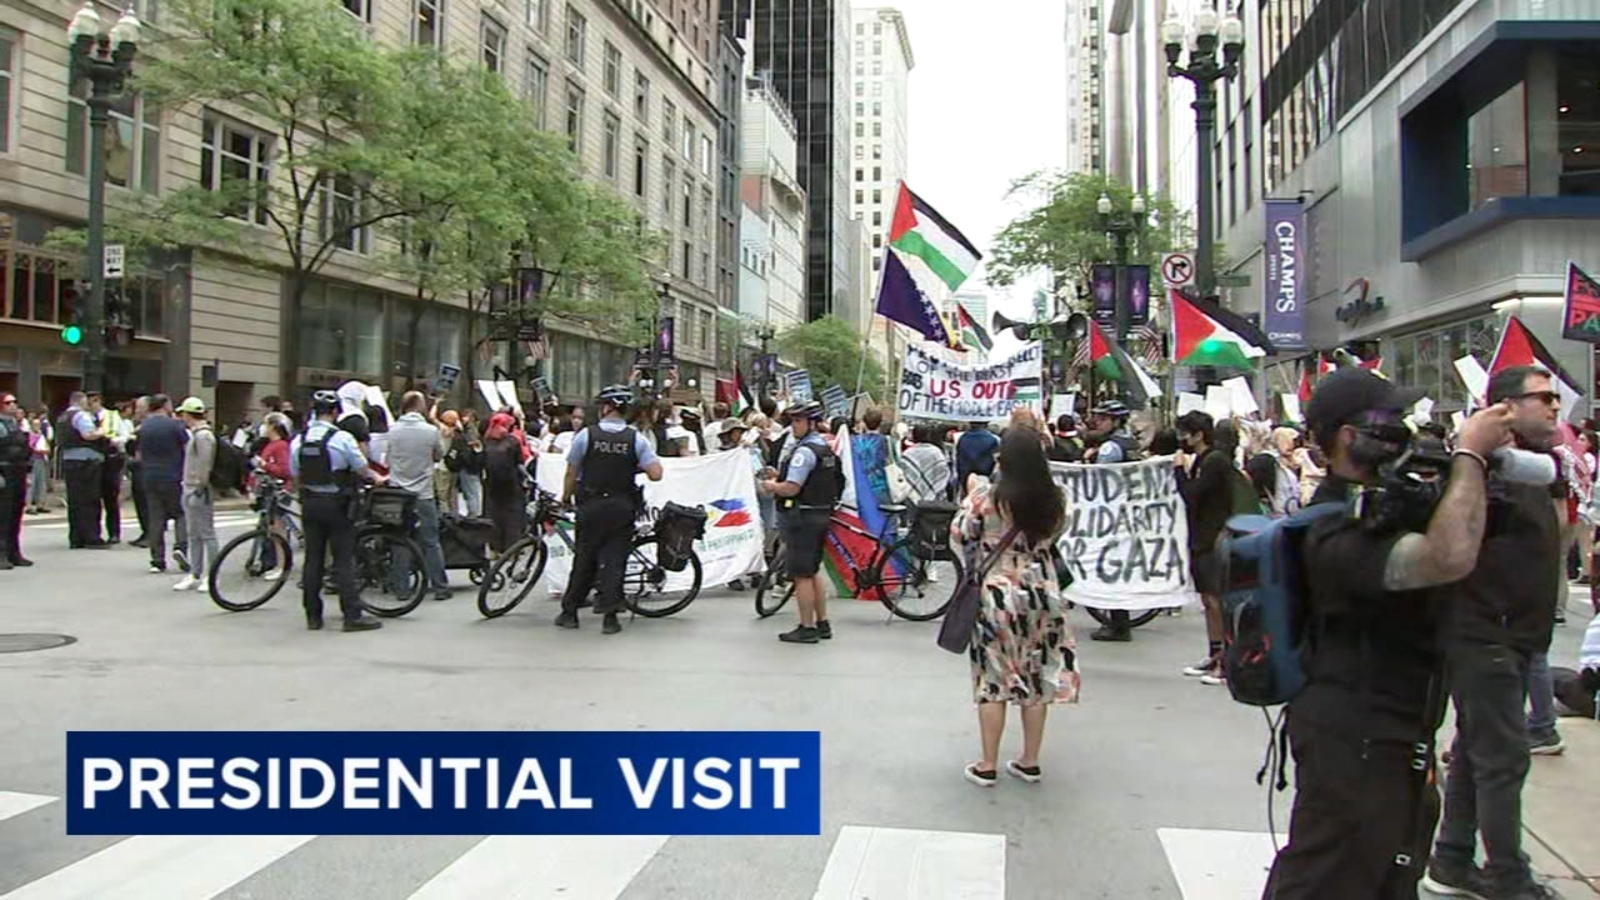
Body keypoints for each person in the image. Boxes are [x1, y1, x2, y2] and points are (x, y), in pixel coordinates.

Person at [1262, 368, 1515, 900]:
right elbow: (1446, 558)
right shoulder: (1333, 528)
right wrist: (1468, 457)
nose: (1404, 431)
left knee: (1386, 874)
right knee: (1328, 877)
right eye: (1391, 421)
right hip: (1352, 738)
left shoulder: (1388, 506)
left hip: (1398, 734)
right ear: (1349, 437)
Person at [1425, 366, 1566, 900]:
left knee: (1475, 750)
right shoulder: (1484, 473)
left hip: (1512, 638)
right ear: (1505, 408)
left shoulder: (1528, 471)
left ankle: (1452, 860)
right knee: (1503, 759)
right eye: (1542, 398)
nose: (1555, 407)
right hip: (1486, 636)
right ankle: (1508, 876)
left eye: (1556, 397)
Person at [953, 428, 1079, 787]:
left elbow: (962, 533)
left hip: (997, 591)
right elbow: (1059, 534)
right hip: (1043, 591)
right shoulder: (1058, 499)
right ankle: (1030, 759)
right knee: (1036, 677)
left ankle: (988, 762)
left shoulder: (987, 497)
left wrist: (970, 495)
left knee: (993, 678)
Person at [558, 385, 663, 635]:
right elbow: (656, 474)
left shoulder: (586, 435)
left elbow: (572, 471)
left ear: (605, 407)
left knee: (584, 558)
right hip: (621, 506)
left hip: (591, 505)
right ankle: (610, 617)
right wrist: (632, 466)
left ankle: (570, 613)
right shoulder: (635, 438)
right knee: (615, 560)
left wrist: (565, 497)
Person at [291, 390, 385, 632]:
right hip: (338, 504)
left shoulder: (299, 440)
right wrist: (377, 478)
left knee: (313, 559)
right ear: (335, 412)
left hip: (310, 503)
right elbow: (361, 467)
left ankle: (313, 615)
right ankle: (352, 615)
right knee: (343, 559)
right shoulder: (341, 438)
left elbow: (295, 471)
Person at [759, 400, 841, 644]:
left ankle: (807, 627)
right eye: (792, 421)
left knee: (801, 575)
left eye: (798, 421)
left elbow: (792, 488)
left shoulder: (804, 451)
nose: (794, 426)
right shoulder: (823, 449)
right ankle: (822, 621)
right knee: (813, 570)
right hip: (820, 514)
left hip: (801, 519)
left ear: (812, 423)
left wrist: (772, 486)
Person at [1176, 411, 1232, 684]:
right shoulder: (1203, 460)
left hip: (1212, 540)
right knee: (1208, 601)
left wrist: (1178, 471)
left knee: (1215, 600)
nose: (1182, 439)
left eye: (1186, 433)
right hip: (1200, 539)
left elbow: (1192, 495)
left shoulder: (1215, 461)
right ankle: (1214, 652)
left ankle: (1226, 661)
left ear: (1199, 434)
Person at [386, 391, 452, 602]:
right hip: (423, 492)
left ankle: (402, 588)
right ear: (420, 406)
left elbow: (387, 458)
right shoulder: (430, 431)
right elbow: (439, 455)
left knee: (399, 540)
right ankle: (440, 586)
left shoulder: (393, 430)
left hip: (398, 492)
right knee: (431, 541)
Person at [136, 395, 191, 575]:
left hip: (150, 475)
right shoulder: (175, 425)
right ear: (166, 405)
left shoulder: (144, 427)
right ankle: (180, 548)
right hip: (173, 474)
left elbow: (139, 453)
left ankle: (157, 560)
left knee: (156, 517)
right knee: (180, 514)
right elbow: (186, 448)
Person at [173, 397, 219, 593]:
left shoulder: (203, 436)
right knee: (194, 532)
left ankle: (210, 575)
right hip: (191, 486)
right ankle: (195, 573)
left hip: (197, 488)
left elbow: (205, 464)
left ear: (187, 414)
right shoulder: (198, 435)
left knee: (206, 533)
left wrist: (200, 485)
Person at [56, 391, 108, 548]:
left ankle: (76, 537)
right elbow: (88, 435)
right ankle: (92, 537)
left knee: (75, 501)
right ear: (81, 401)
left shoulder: (62, 417)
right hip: (86, 462)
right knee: (90, 500)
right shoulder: (81, 416)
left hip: (69, 461)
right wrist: (101, 431)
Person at [0, 392, 32, 568]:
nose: (13, 405)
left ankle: (14, 552)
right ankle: (1, 553)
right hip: (4, 470)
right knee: (3, 515)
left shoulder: (15, 424)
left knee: (15, 513)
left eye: (14, 402)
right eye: (8, 403)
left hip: (18, 470)